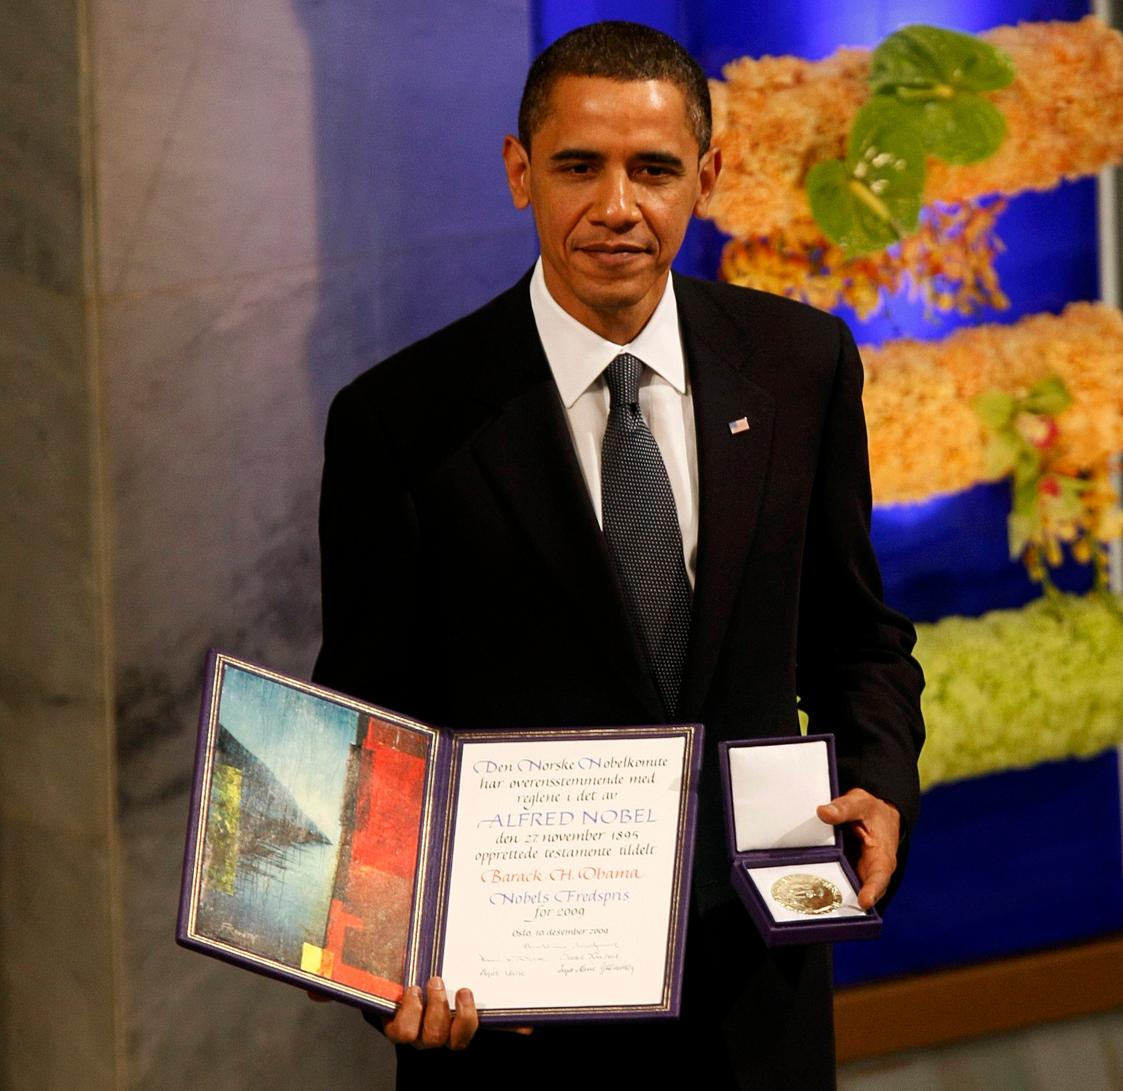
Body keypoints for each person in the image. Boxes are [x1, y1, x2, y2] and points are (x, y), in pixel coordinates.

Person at [312, 20, 924, 1090]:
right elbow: (366, 729)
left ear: (708, 175)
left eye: (652, 169)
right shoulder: (399, 422)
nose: (614, 206)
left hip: (753, 1008)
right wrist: (386, 961)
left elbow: (855, 634)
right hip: (513, 1031)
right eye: (576, 166)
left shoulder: (800, 365)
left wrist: (878, 778)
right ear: (519, 172)